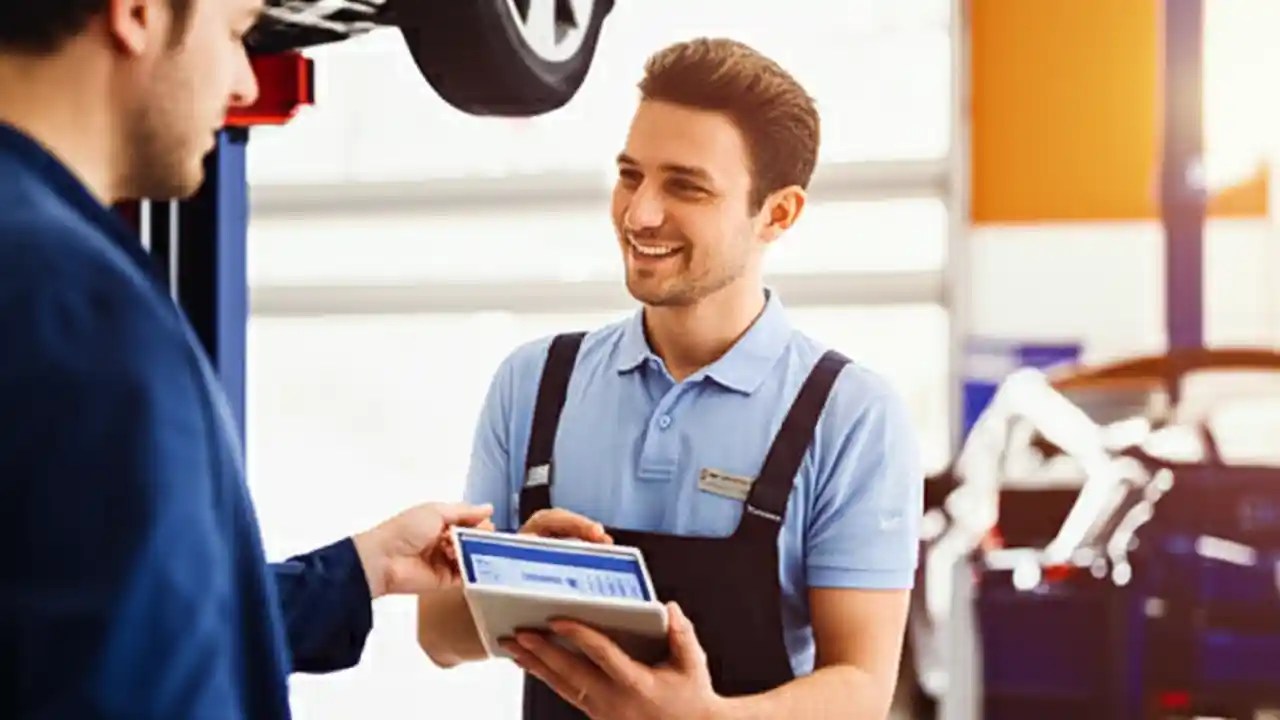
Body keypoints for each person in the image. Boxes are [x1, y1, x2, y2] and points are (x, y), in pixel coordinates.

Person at [0, 0, 492, 717]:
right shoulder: (86, 318)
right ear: (136, 12)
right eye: (235, 35)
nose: (243, 84)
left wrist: (362, 569)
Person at [418, 37, 924, 719]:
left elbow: (861, 688)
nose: (640, 214)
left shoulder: (851, 415)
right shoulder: (534, 384)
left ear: (778, 213)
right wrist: (514, 567)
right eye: (631, 176)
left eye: (685, 186)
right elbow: (439, 638)